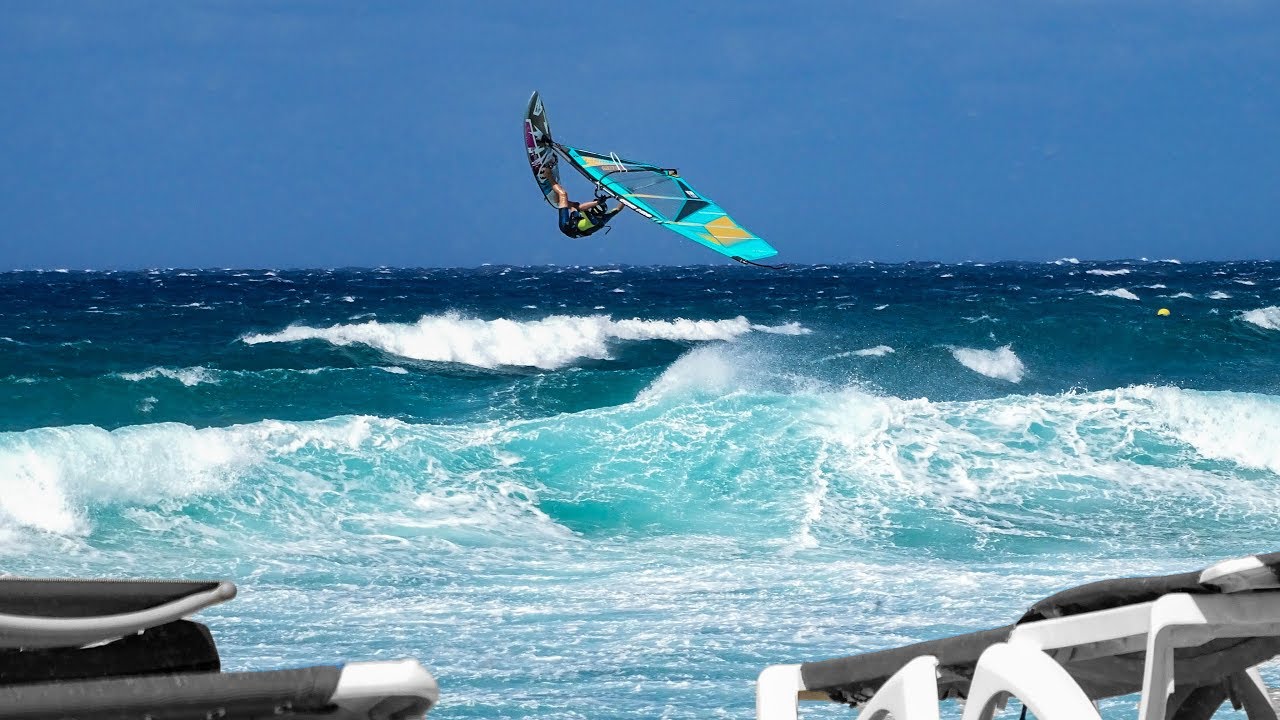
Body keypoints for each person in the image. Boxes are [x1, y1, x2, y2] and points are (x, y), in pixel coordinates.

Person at [543, 172, 623, 238]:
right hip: (577, 224)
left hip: (567, 227)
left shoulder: (593, 221)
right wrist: (625, 196)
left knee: (563, 194)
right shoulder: (604, 218)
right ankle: (558, 201)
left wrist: (597, 202)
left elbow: (581, 208)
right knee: (575, 205)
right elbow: (618, 209)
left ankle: (547, 175)